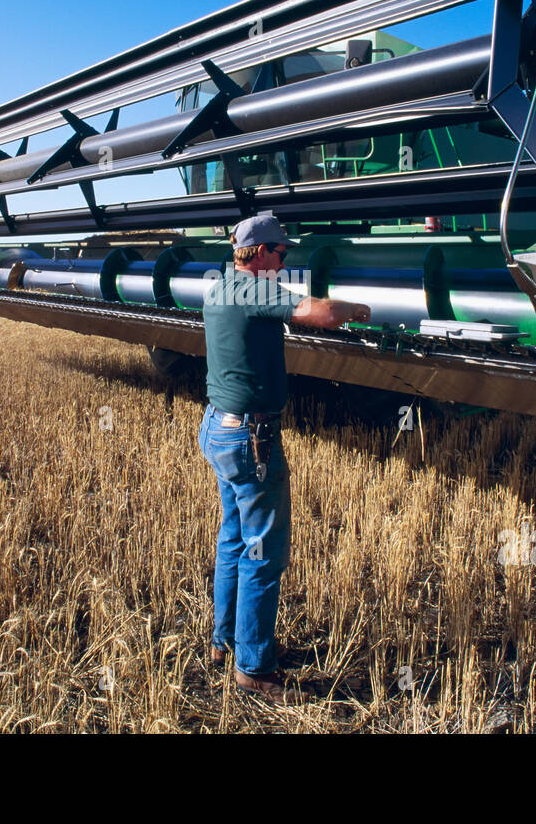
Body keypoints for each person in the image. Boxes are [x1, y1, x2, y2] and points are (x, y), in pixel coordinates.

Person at [198, 212, 370, 703]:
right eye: (282, 253)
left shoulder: (220, 285)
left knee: (234, 540)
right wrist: (358, 307)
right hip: (251, 440)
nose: (284, 261)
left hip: (217, 428)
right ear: (260, 253)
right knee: (263, 553)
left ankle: (225, 641)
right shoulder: (253, 288)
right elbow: (318, 313)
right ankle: (254, 667)